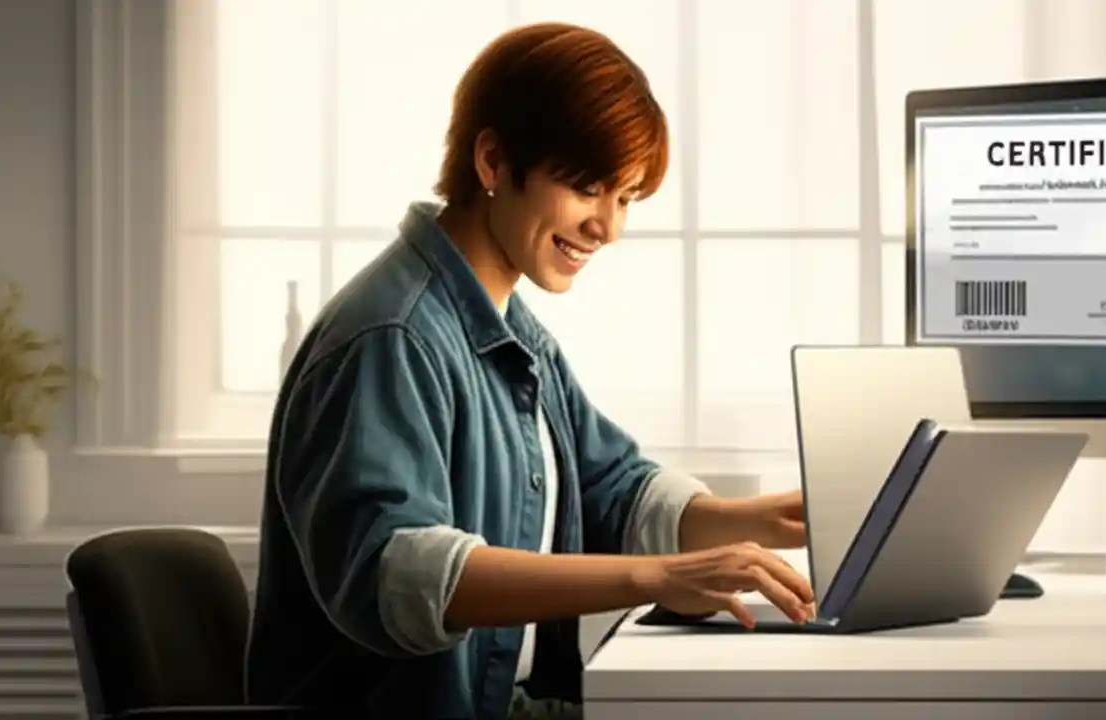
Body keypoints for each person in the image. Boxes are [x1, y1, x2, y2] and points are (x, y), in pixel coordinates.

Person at [244, 21, 815, 720]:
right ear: (492, 162)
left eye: (627, 196)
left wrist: (769, 519)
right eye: (587, 188)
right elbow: (397, 574)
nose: (608, 227)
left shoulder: (512, 334)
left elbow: (611, 489)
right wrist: (656, 576)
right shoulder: (391, 337)